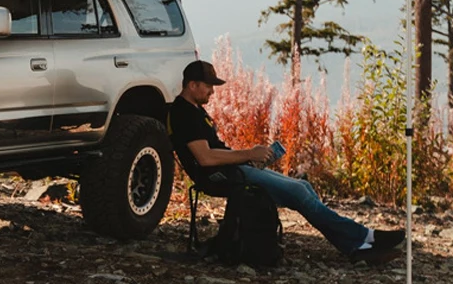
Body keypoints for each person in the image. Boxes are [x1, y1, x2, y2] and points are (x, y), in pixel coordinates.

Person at [168, 60, 405, 264]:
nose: (212, 91)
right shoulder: (184, 114)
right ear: (192, 85)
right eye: (208, 86)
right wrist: (249, 154)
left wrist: (252, 157)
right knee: (297, 192)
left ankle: (361, 242)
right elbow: (205, 157)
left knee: (303, 187)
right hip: (221, 176)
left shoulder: (195, 110)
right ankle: (363, 240)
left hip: (234, 168)